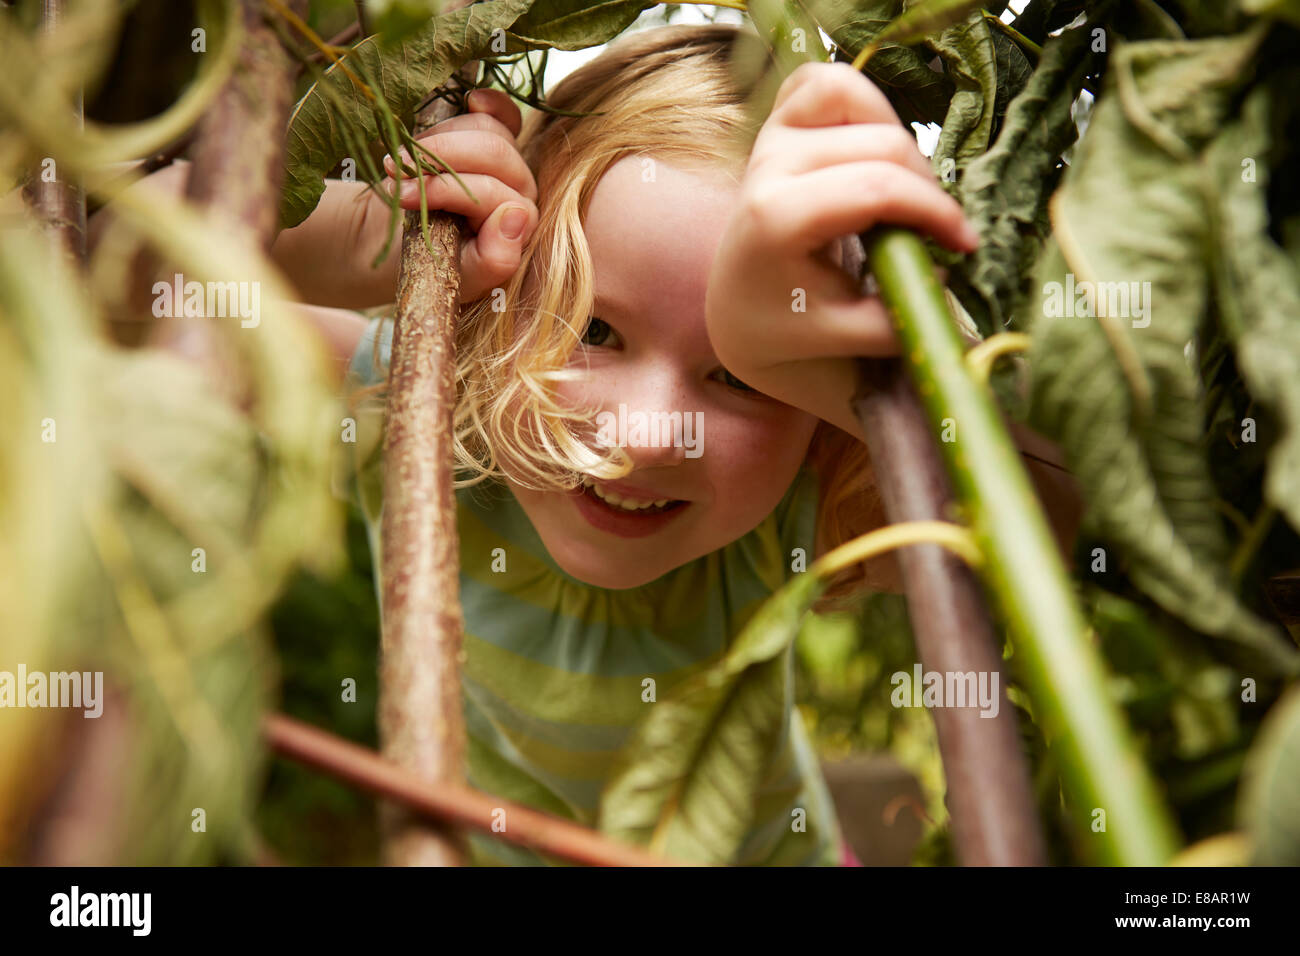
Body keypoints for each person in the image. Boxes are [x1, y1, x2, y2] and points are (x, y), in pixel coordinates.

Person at [273, 23, 1080, 865]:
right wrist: (347, 246)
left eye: (741, 379)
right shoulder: (418, 403)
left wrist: (819, 360)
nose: (647, 436)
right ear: (494, 293)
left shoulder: (809, 504)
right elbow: (132, 281)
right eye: (590, 327)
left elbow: (1075, 519)